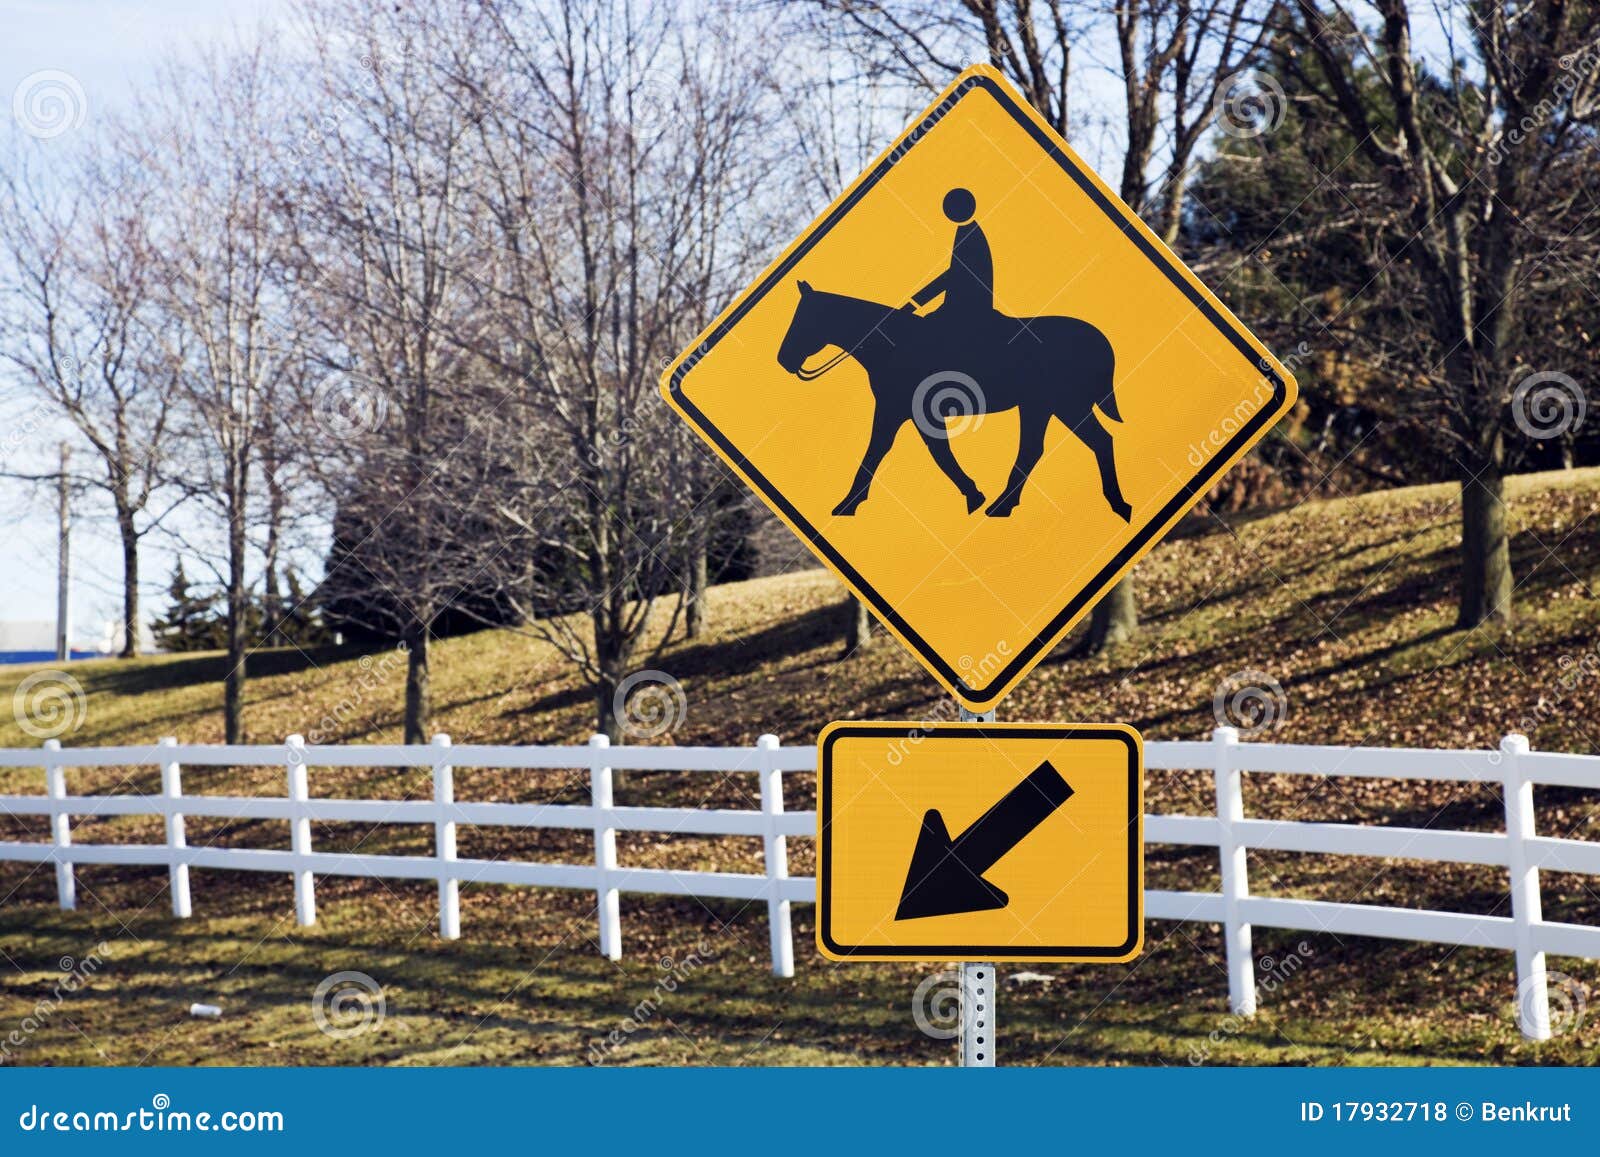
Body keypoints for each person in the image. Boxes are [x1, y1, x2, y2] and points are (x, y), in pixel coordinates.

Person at [907, 188, 994, 319]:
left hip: (967, 306)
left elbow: (954, 275)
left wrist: (915, 302)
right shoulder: (967, 231)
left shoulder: (971, 235)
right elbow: (953, 275)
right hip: (963, 303)